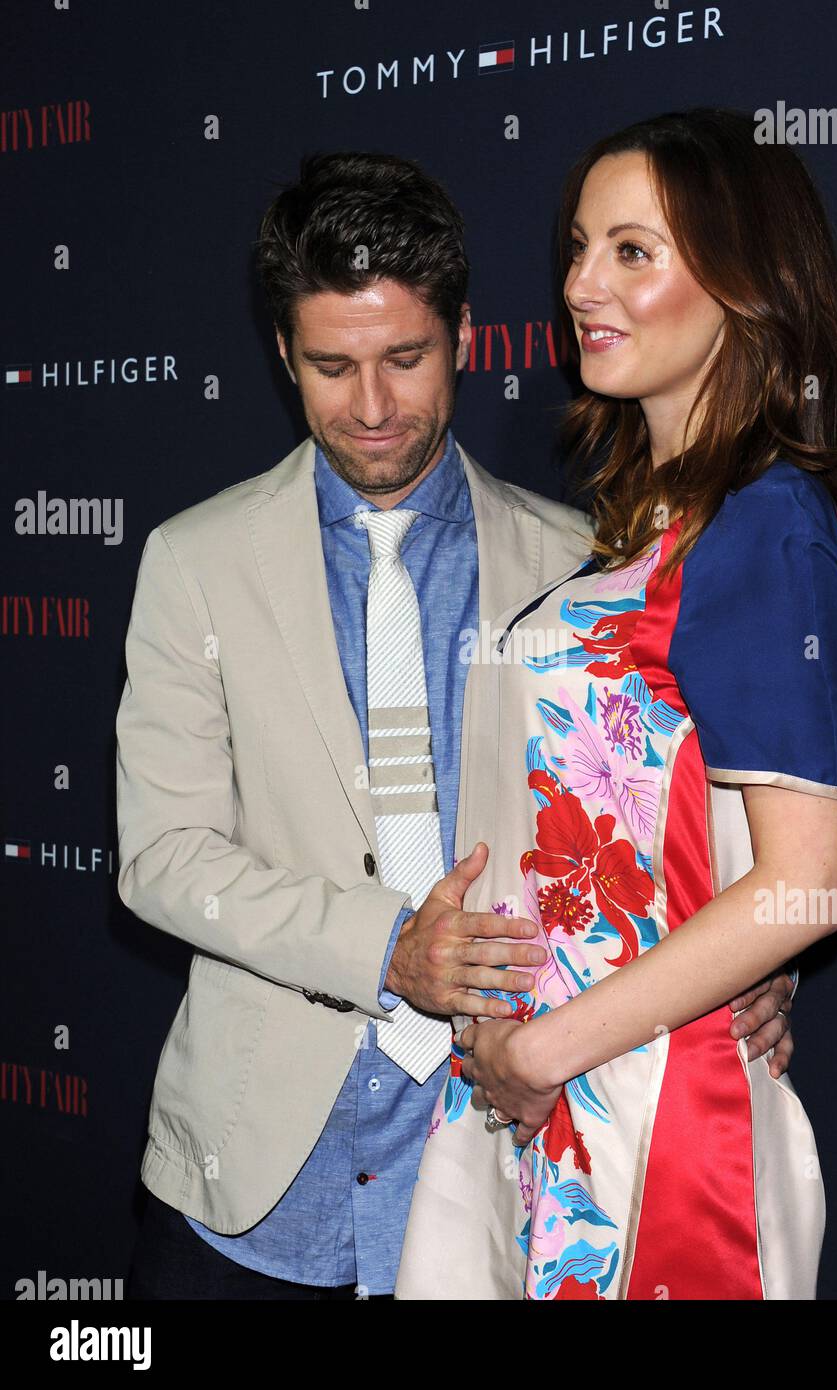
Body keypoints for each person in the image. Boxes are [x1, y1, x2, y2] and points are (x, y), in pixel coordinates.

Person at [115, 148, 797, 1300]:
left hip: (507, 1173)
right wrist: (389, 948)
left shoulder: (583, 561)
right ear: (281, 353)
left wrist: (733, 965)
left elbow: (649, 837)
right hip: (256, 1194)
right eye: (331, 366)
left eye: (406, 358)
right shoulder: (193, 564)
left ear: (467, 337)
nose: (372, 408)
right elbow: (164, 860)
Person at [395, 109, 837, 1302]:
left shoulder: (764, 524)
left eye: (631, 251)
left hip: (650, 1122)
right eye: (576, 246)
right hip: (554, 1089)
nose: (578, 285)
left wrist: (540, 1050)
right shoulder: (651, 527)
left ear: (744, 282)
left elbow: (804, 878)